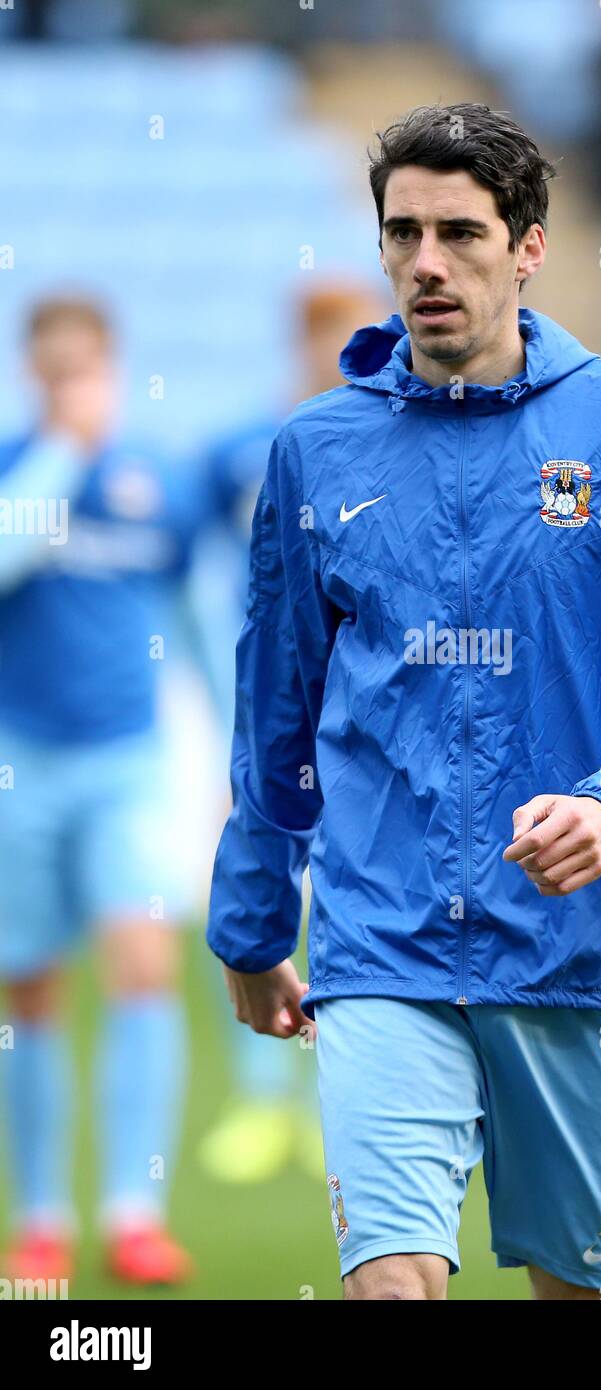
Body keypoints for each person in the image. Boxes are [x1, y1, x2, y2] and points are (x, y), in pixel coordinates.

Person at [207, 102, 601, 1301]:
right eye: (400, 231)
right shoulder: (316, 451)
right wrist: (255, 919)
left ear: (526, 246)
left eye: (458, 232)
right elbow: (277, 706)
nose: (425, 262)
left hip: (584, 952)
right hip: (382, 942)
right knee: (390, 1283)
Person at [0, 298, 199, 1285]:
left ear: (114, 364)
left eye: (85, 365)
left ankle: (132, 1210)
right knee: (29, 990)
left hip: (129, 761)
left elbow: (192, 609)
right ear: (32, 372)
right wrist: (61, 454)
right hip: (21, 763)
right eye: (53, 367)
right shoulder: (16, 467)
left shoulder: (157, 477)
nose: (71, 382)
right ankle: (40, 1215)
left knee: (142, 963)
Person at [195, 283, 389, 1186]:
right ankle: (260, 1095)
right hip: (259, 699)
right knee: (251, 876)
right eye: (319, 336)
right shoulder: (246, 450)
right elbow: (177, 555)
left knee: (344, 886)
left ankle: (328, 1094)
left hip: (349, 709)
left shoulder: (378, 450)